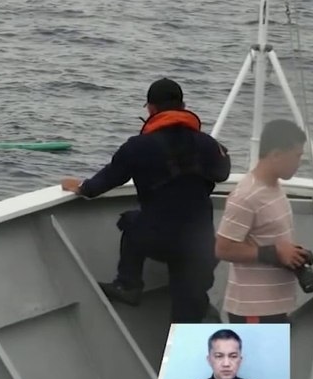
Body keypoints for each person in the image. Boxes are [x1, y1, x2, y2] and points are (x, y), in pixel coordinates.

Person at [60, 78, 232, 322]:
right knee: (188, 311)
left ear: (151, 109)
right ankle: (196, 346)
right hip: (201, 246)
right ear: (183, 106)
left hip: (159, 240)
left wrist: (82, 187)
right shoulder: (207, 144)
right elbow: (222, 172)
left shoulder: (138, 147)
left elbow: (107, 180)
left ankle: (128, 284)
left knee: (130, 221)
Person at [216, 118, 311, 324]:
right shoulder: (246, 196)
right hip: (254, 310)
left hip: (274, 306)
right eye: (297, 156)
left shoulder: (274, 189)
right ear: (276, 155)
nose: (299, 162)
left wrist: (294, 254)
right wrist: (274, 253)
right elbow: (223, 249)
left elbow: (267, 239)